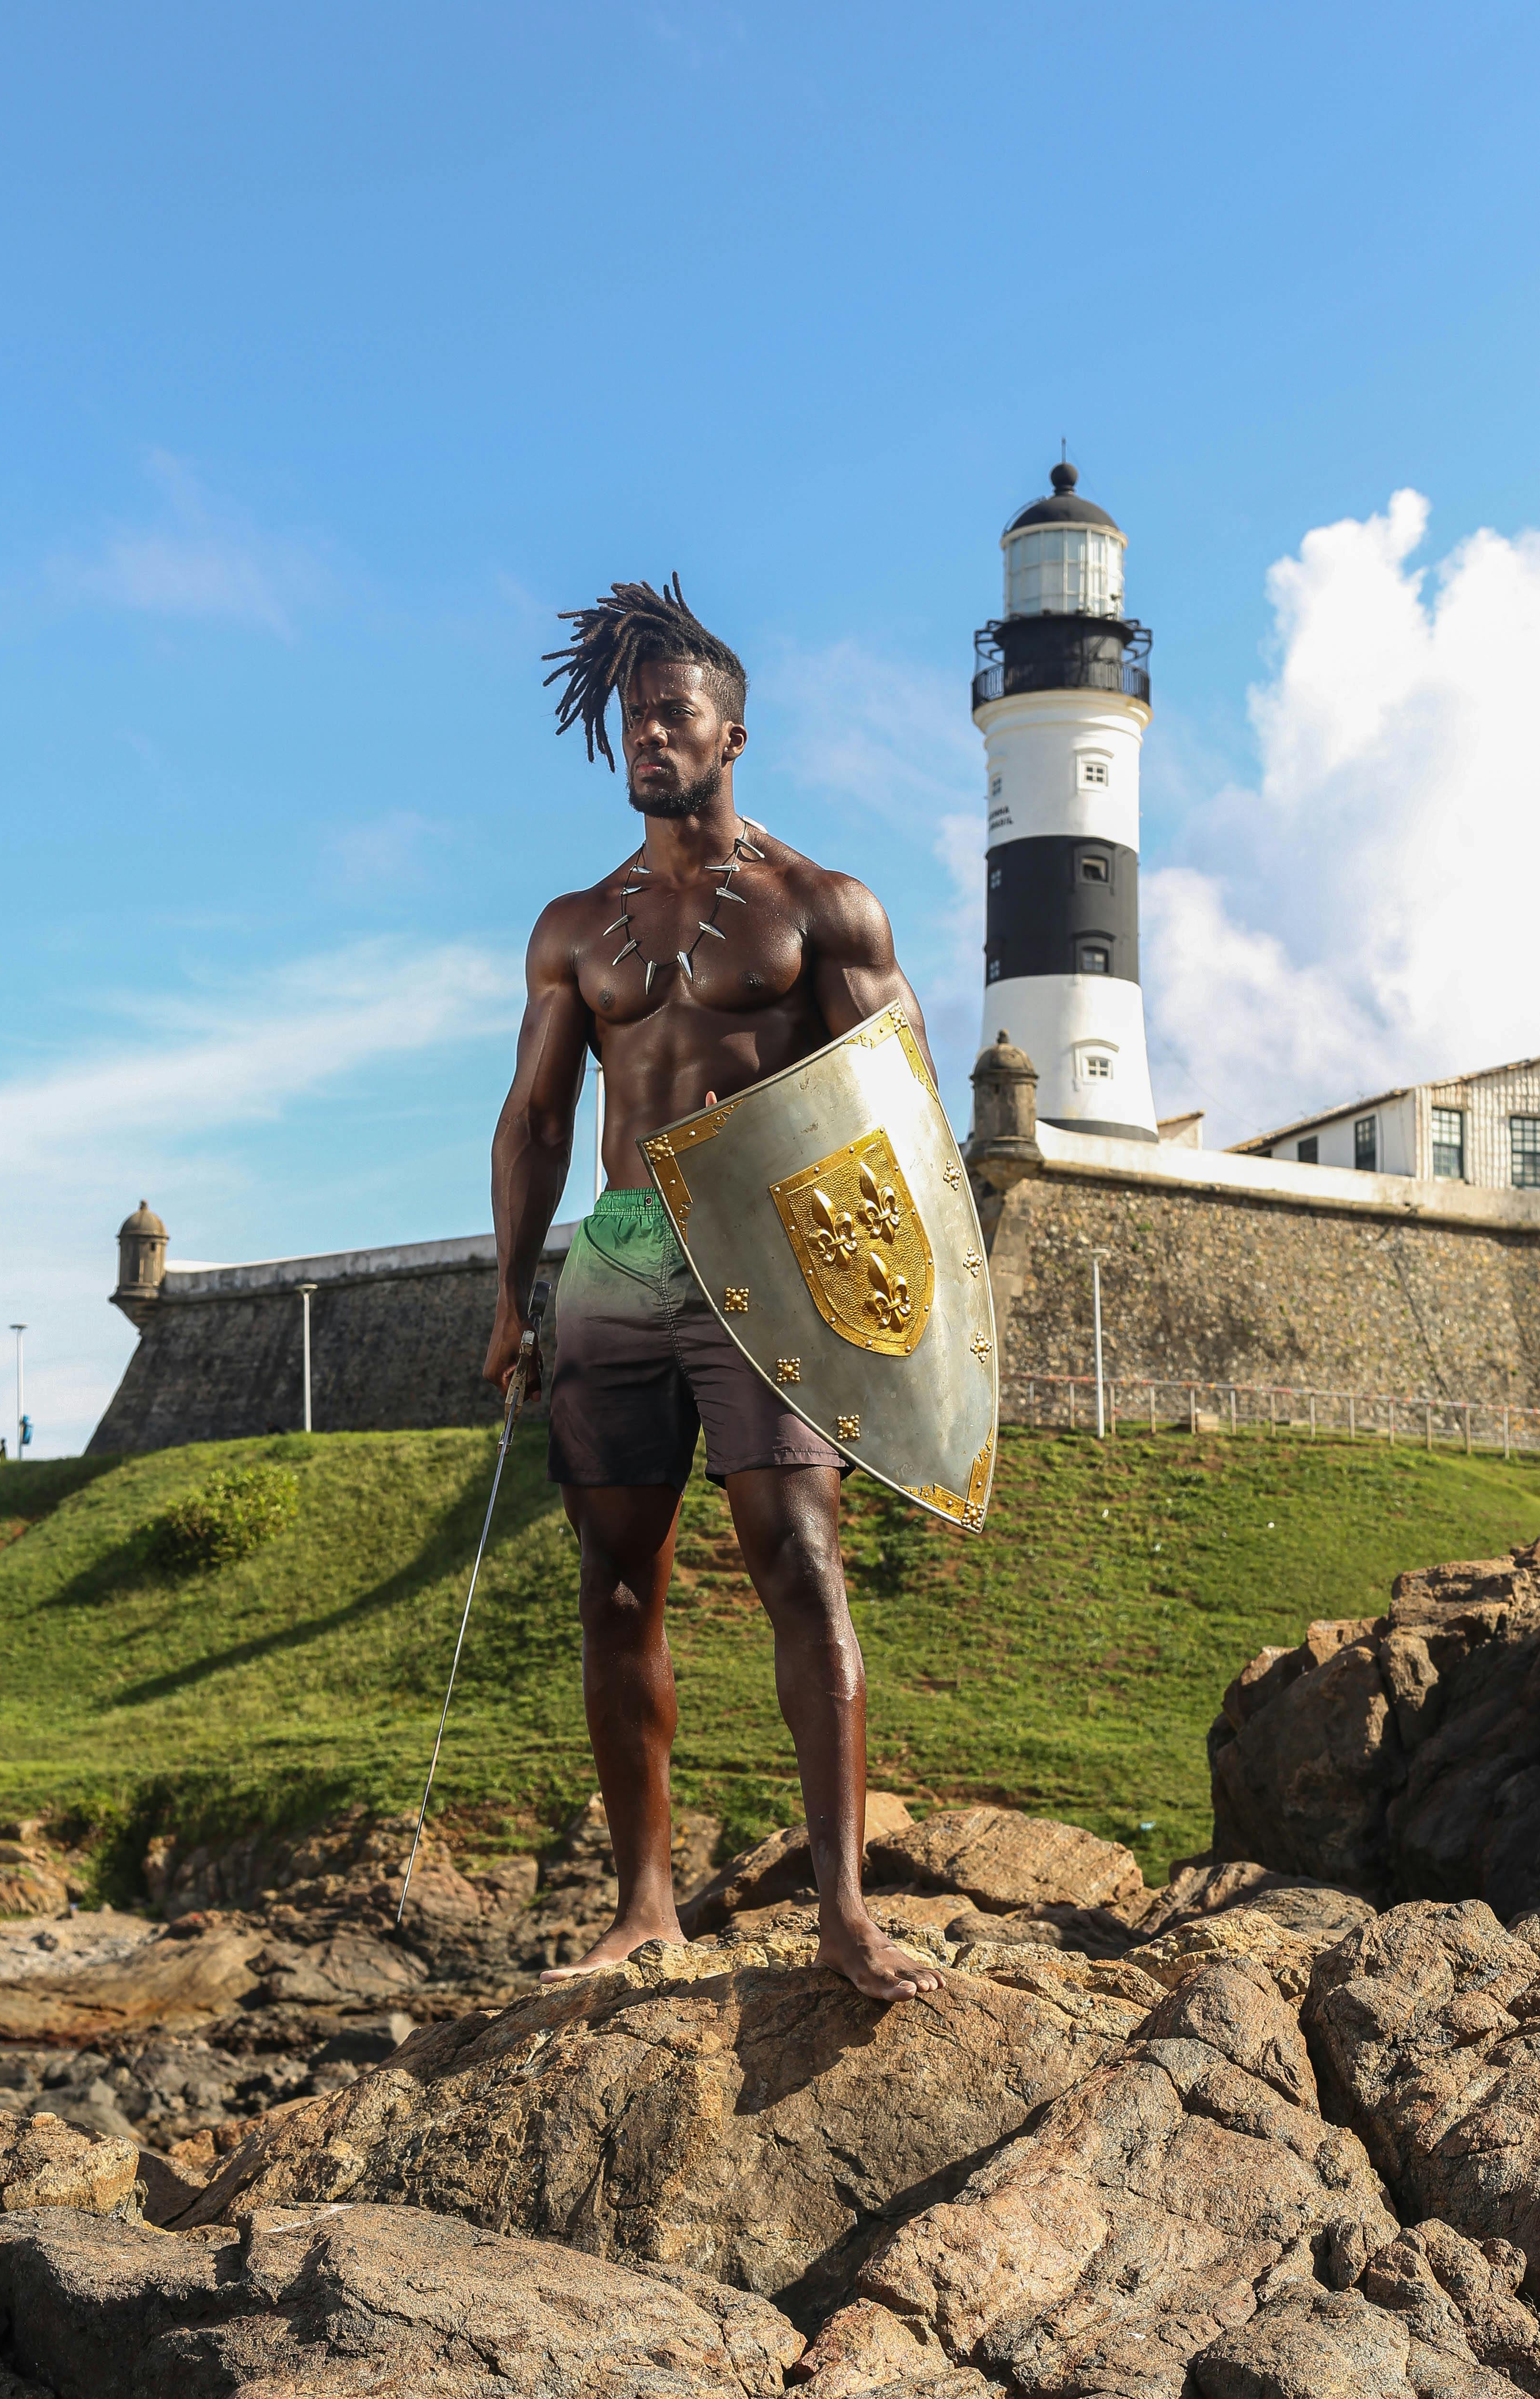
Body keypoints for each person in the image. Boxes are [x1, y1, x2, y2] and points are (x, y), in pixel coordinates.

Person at [484, 577, 941, 2002]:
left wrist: (910, 1320)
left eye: (673, 715)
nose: (648, 738)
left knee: (797, 1562)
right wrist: (510, 1294)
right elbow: (535, 1120)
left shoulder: (823, 908)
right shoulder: (578, 923)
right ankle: (641, 1908)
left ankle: (844, 1910)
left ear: (733, 732)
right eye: (634, 719)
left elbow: (901, 1109)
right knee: (616, 1591)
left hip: (759, 1256)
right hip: (616, 1257)